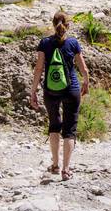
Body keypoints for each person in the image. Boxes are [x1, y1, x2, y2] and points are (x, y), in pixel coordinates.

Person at [29, 11, 90, 180]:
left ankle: (55, 165)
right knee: (69, 129)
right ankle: (66, 170)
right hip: (71, 89)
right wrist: (86, 82)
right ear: (68, 25)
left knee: (54, 125)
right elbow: (83, 68)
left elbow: (39, 69)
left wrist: (33, 90)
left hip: (51, 90)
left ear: (52, 23)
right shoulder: (73, 43)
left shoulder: (45, 43)